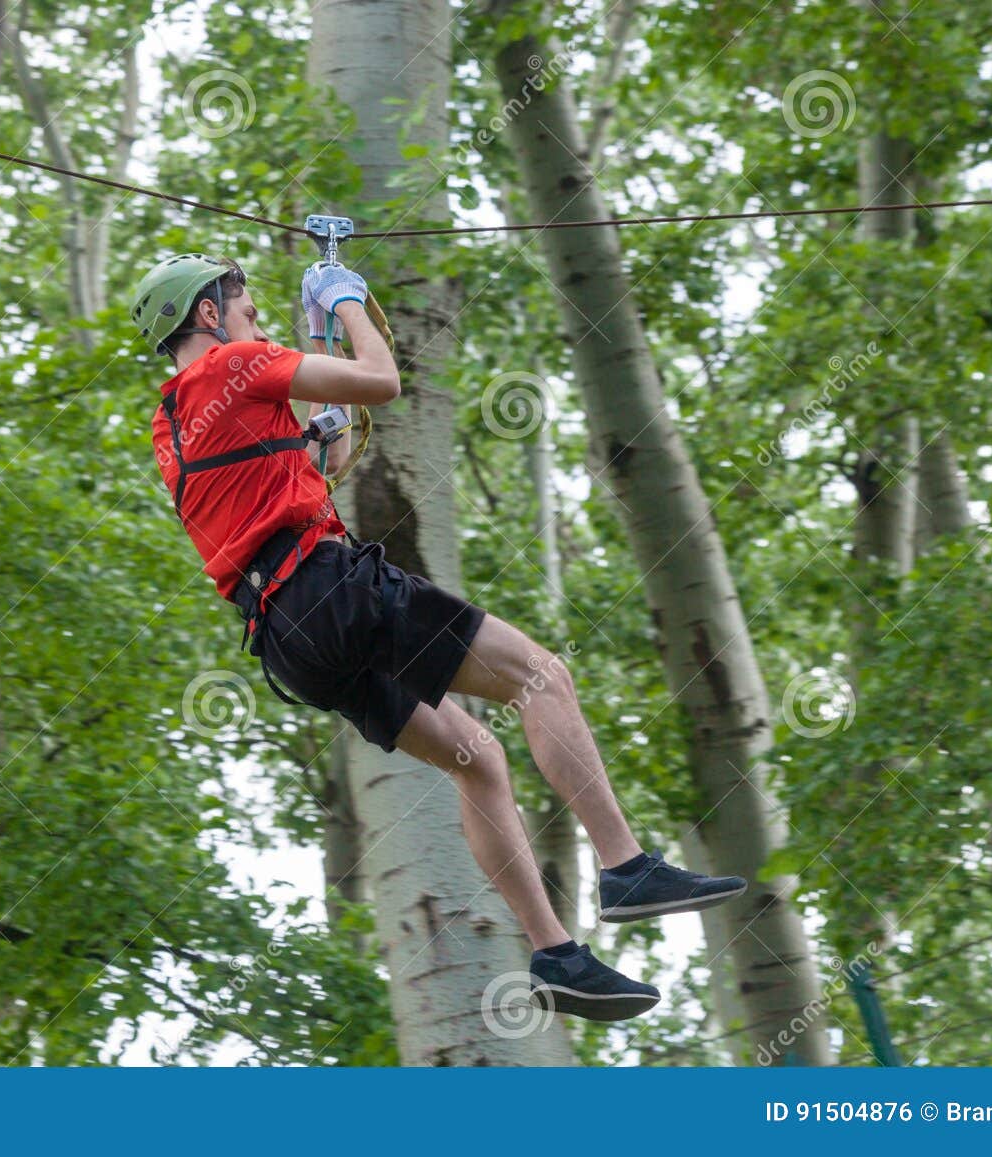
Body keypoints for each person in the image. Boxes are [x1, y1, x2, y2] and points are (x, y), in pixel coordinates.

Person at [132, 252, 747, 1022]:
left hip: (288, 640)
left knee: (478, 759)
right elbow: (383, 379)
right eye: (248, 309)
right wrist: (346, 299)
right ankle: (625, 865)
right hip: (332, 590)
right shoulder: (242, 360)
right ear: (211, 317)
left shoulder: (171, 428)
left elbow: (286, 476)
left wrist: (318, 439)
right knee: (540, 676)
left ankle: (555, 954)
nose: (256, 321)